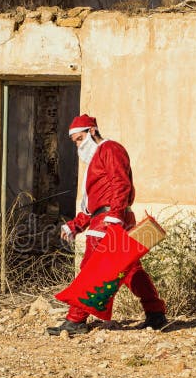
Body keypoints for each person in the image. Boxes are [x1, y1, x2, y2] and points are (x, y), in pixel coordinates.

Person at [46, 114, 167, 335]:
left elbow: (120, 183)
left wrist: (115, 216)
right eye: (75, 142)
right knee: (130, 271)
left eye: (80, 139)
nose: (78, 146)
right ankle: (156, 313)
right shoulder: (98, 158)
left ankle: (76, 320)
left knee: (91, 270)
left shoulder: (110, 149)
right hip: (105, 218)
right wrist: (76, 225)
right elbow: (94, 203)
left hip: (109, 221)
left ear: (92, 131)